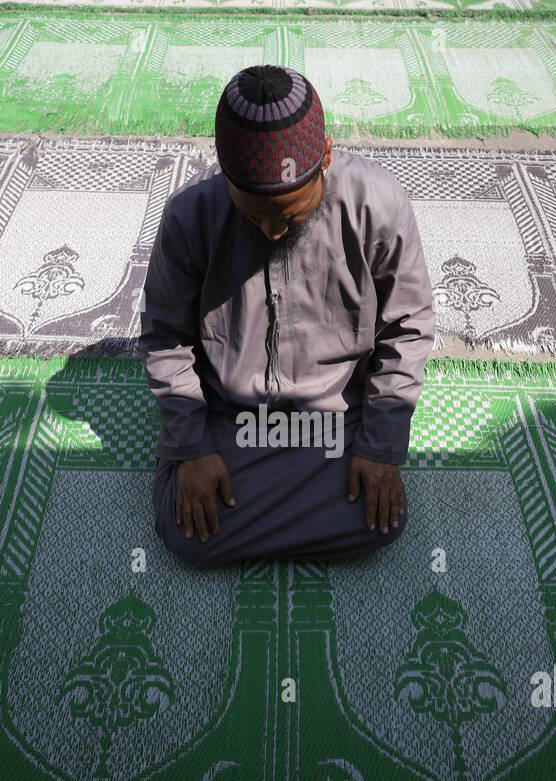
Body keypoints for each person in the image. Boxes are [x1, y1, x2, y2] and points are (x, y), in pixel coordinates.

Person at [140, 64, 435, 565]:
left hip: (336, 413)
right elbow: (166, 337)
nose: (273, 232)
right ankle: (283, 486)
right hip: (231, 415)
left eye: (290, 215)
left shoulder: (378, 205)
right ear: (225, 173)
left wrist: (379, 448)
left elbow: (408, 327)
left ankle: (274, 489)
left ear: (324, 158)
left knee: (378, 521)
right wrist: (190, 447)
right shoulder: (190, 216)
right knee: (185, 531)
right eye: (254, 216)